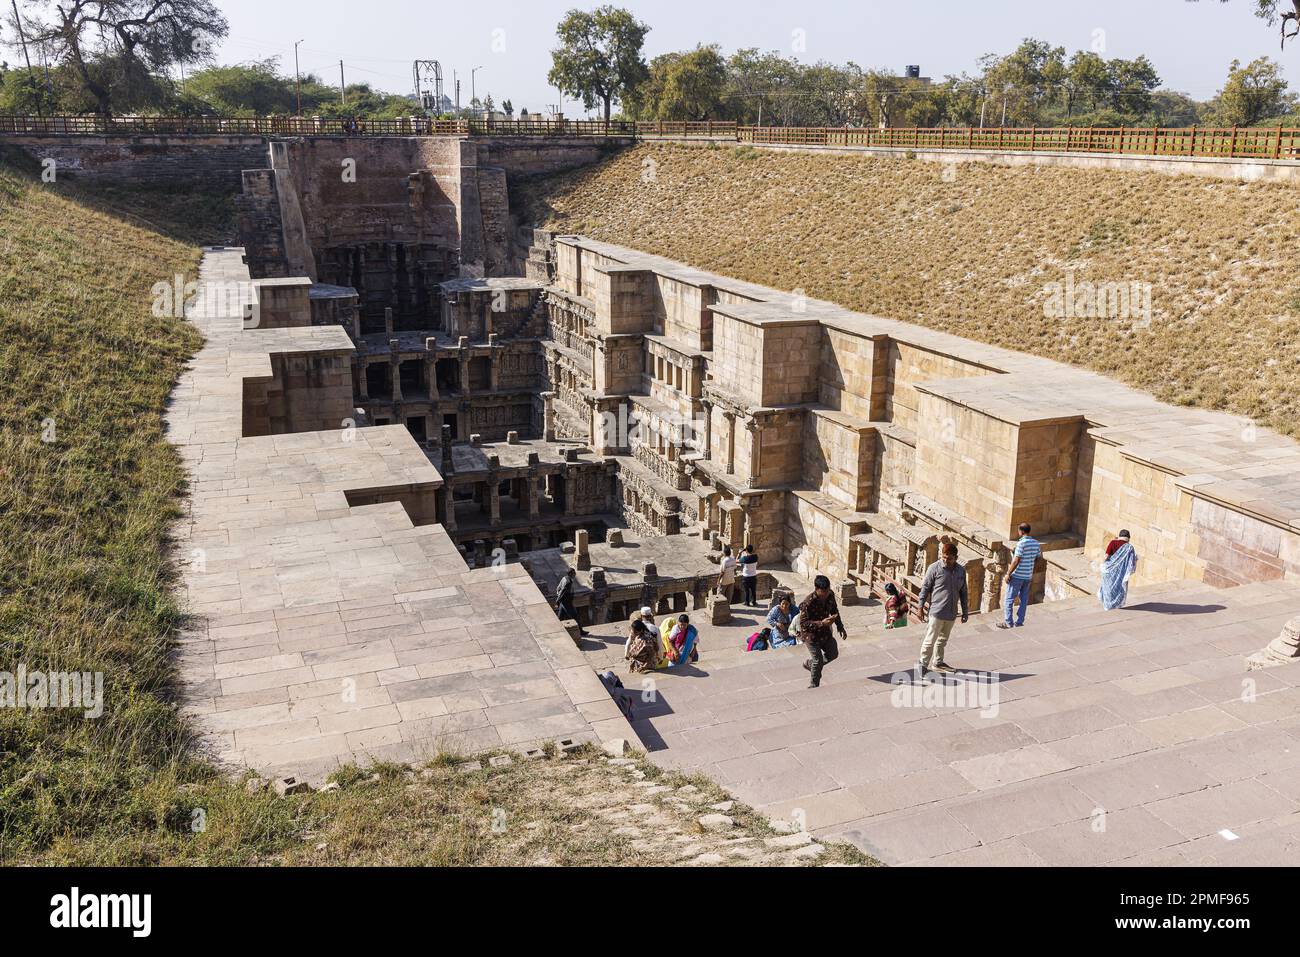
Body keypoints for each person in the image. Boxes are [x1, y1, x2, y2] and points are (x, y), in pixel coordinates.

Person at [917, 542, 968, 677]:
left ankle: (938, 662)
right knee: (930, 639)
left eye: (949, 558)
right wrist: (920, 606)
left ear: (955, 558)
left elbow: (964, 592)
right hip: (937, 611)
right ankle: (922, 664)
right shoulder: (934, 568)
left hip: (951, 612)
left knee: (942, 639)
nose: (946, 561)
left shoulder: (961, 571)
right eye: (944, 557)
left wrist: (965, 611)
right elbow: (925, 588)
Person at [799, 575, 848, 689]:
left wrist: (840, 627)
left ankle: (811, 665)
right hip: (811, 636)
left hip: (825, 633)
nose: (826, 593)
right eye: (823, 591)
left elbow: (834, 610)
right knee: (818, 660)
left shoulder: (830, 595)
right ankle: (814, 686)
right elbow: (804, 624)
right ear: (816, 589)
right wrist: (821, 623)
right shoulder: (808, 603)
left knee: (833, 653)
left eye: (827, 590)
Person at [998, 523, 1041, 630]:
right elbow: (1038, 558)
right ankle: (1020, 621)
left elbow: (1016, 560)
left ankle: (1008, 622)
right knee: (1024, 599)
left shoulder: (1021, 544)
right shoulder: (1036, 543)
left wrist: (1008, 573)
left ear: (1021, 531)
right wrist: (1030, 563)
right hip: (1028, 576)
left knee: (1009, 599)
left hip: (1017, 575)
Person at [1099, 530, 1139, 611]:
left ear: (1119, 536)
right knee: (1118, 589)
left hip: (1109, 571)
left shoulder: (1113, 543)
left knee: (1108, 589)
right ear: (1128, 538)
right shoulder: (1129, 547)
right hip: (1121, 573)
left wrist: (1104, 565)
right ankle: (1116, 606)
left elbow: (1106, 556)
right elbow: (1131, 564)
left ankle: (1107, 607)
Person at [554, 568, 584, 636]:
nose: (575, 574)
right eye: (574, 573)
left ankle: (557, 630)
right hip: (567, 602)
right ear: (570, 574)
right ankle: (581, 631)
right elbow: (563, 592)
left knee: (560, 617)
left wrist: (559, 599)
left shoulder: (564, 578)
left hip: (563, 602)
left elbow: (558, 588)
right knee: (575, 616)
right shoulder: (568, 582)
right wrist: (557, 601)